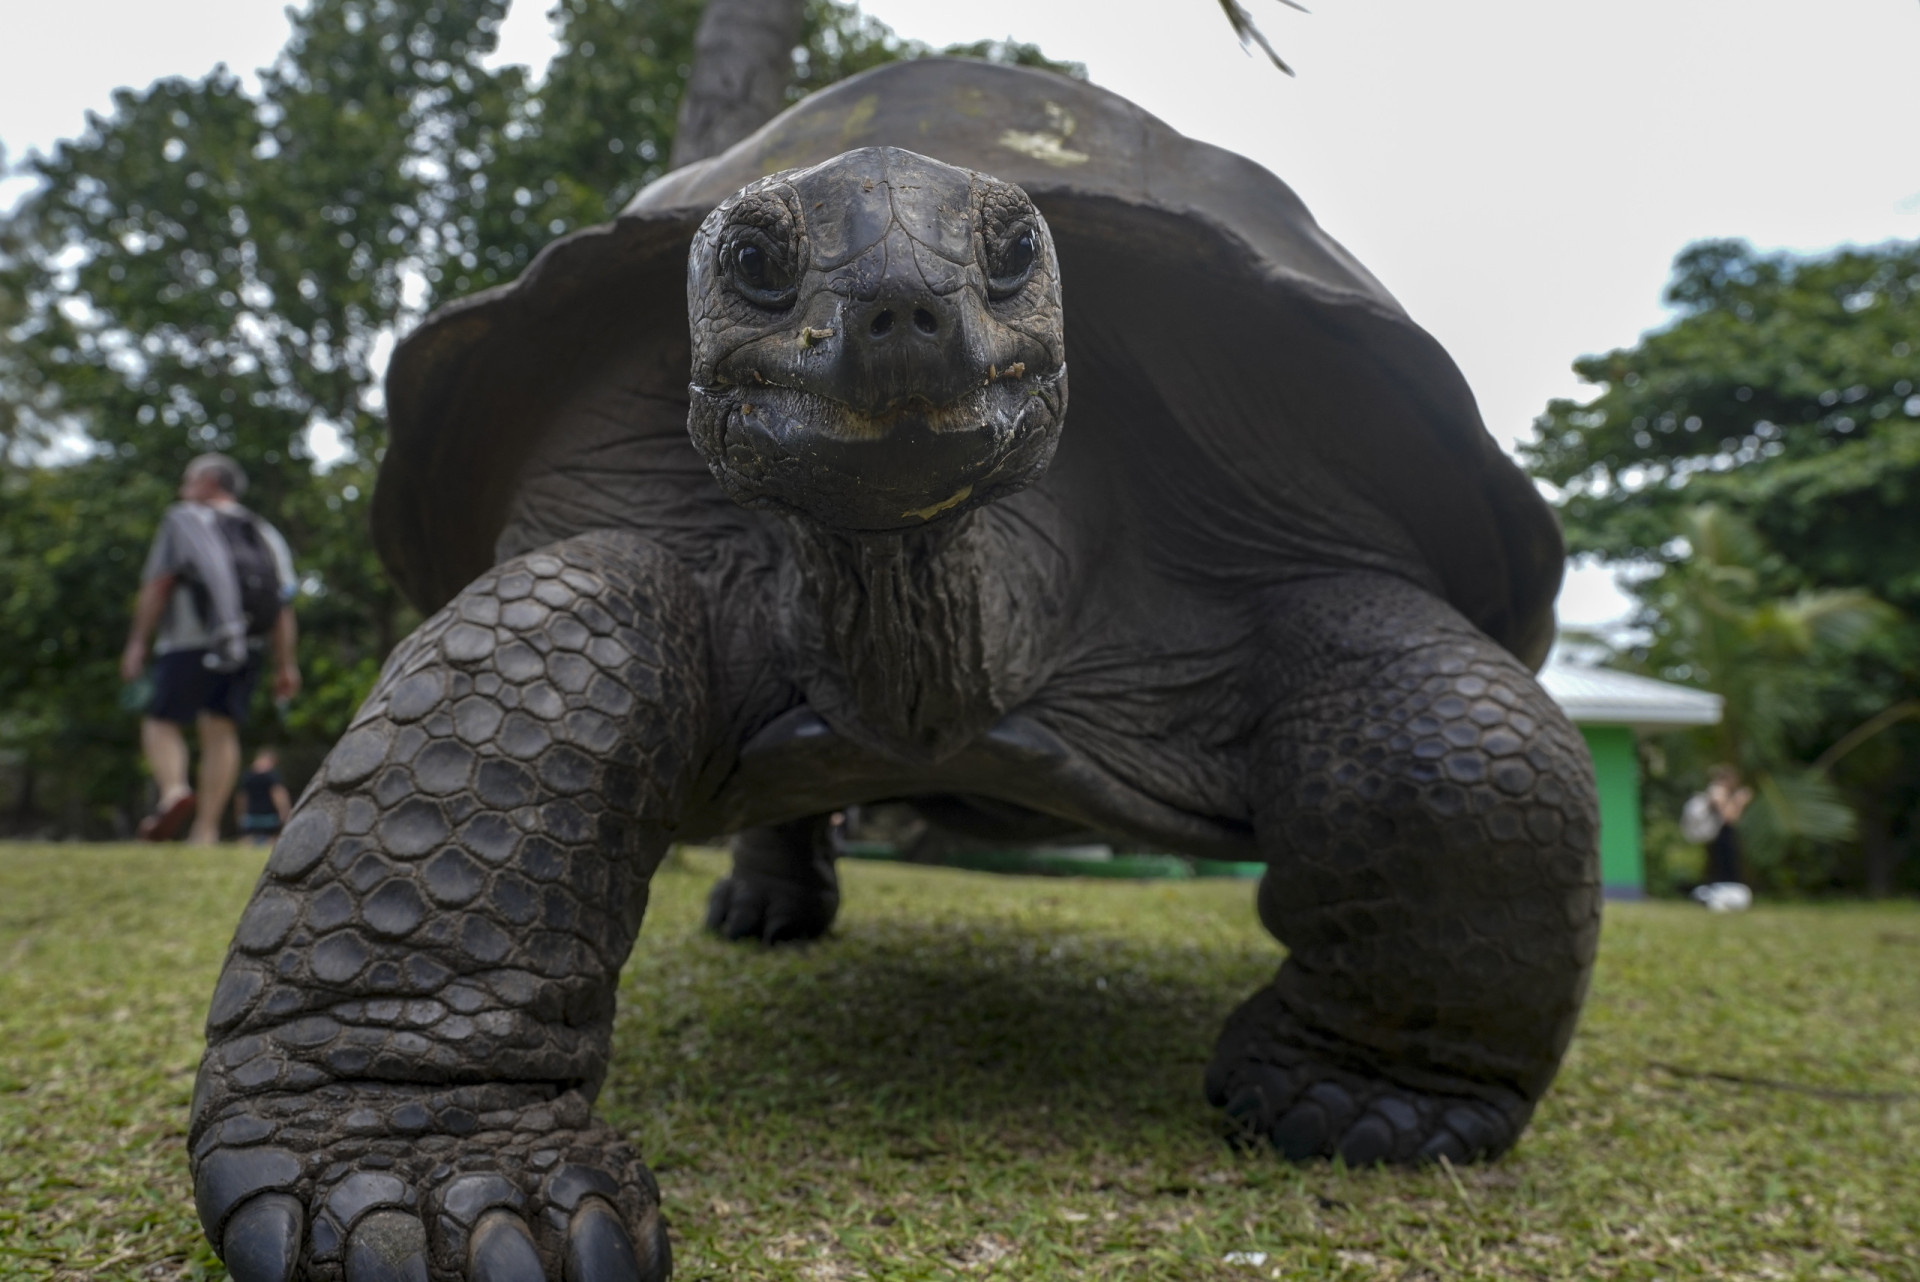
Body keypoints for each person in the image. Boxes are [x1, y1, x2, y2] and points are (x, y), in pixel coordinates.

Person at [120, 454, 300, 844]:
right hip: (245, 645)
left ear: (207, 483)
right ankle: (205, 831)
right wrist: (286, 664)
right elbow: (282, 604)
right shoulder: (263, 531)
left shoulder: (183, 519)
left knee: (161, 721)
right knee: (220, 730)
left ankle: (174, 791)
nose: (183, 489)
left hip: (188, 640)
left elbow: (158, 585)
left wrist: (137, 642)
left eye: (188, 481)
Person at [1690, 763, 1754, 912]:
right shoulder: (1717, 792)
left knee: (1729, 868)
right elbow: (1729, 816)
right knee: (1722, 868)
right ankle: (1717, 899)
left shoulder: (1722, 792)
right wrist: (1740, 801)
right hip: (1720, 837)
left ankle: (1727, 899)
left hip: (1726, 835)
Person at [234, 746, 292, 845]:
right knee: (271, 841)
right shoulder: (272, 776)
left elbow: (241, 797)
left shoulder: (248, 775)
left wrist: (240, 814)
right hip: (269, 817)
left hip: (251, 816)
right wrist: (285, 812)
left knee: (248, 841)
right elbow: (278, 794)